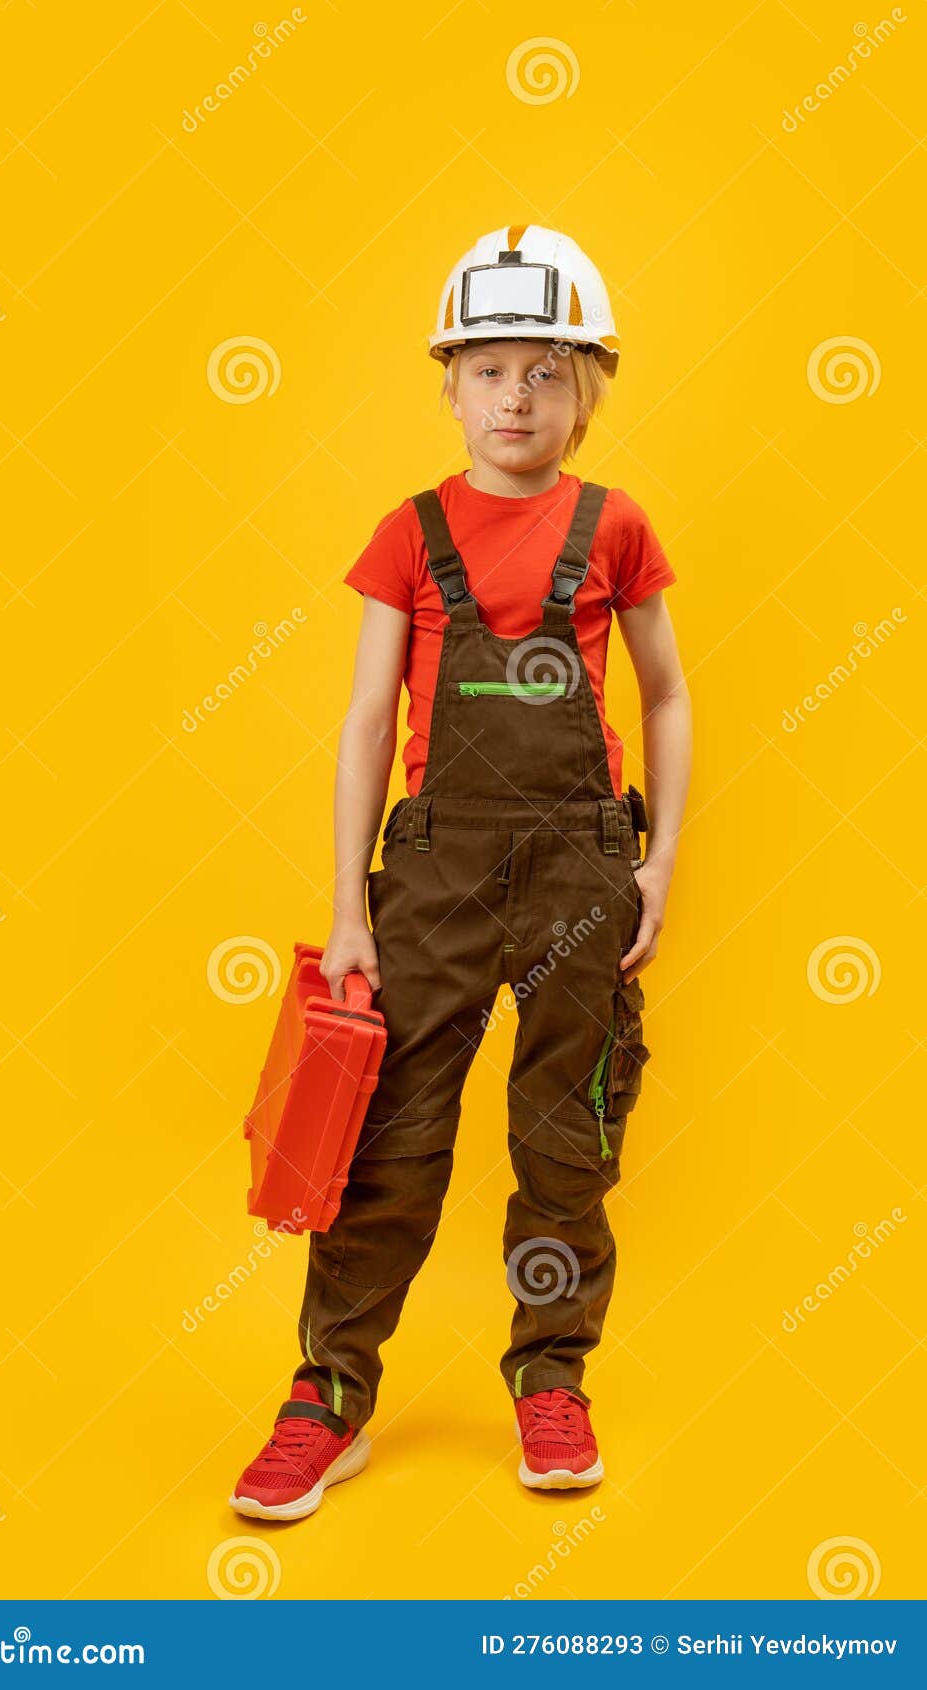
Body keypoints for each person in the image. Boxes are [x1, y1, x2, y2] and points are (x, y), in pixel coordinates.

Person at [230, 224, 691, 1521]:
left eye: (545, 373)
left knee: (565, 1139)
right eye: (488, 370)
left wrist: (657, 865)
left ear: (587, 390)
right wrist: (347, 910)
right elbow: (366, 723)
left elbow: (665, 694)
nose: (514, 398)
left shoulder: (615, 527)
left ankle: (551, 1375)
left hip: (580, 872)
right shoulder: (408, 532)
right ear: (448, 385)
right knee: (388, 1138)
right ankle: (330, 1392)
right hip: (431, 875)